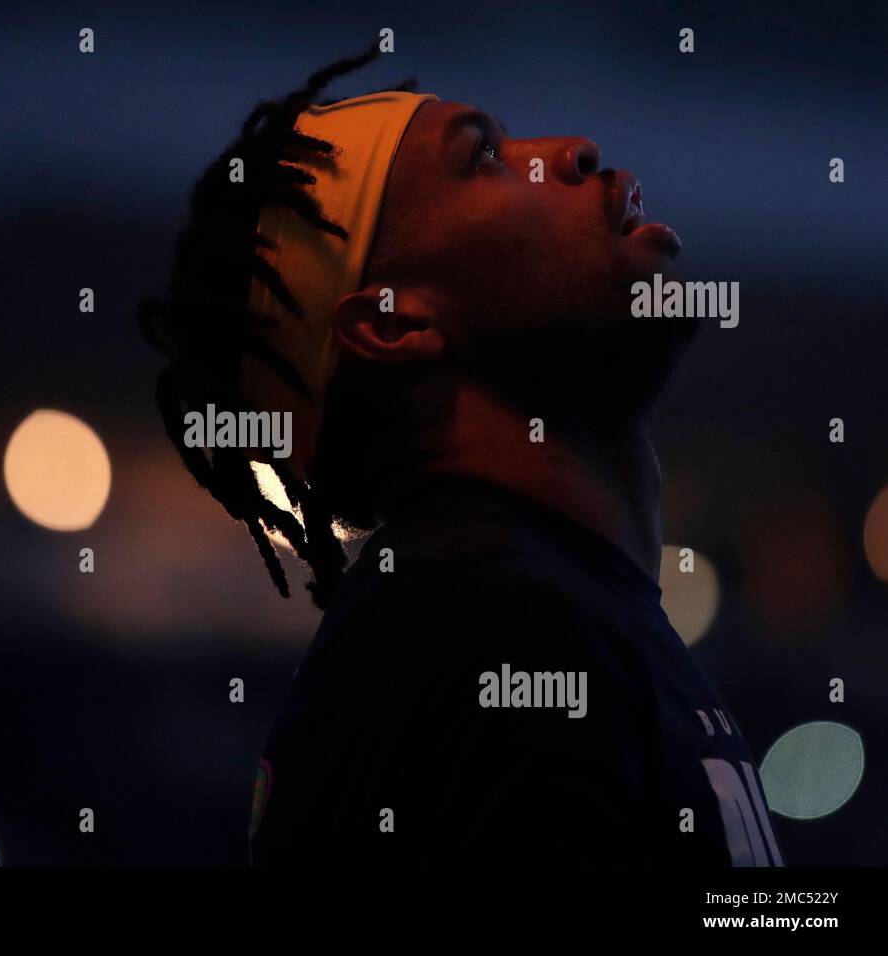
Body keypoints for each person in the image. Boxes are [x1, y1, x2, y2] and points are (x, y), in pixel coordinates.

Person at [137, 45, 783, 865]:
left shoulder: (535, 610)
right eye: (486, 159)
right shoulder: (489, 638)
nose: (571, 153)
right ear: (395, 324)